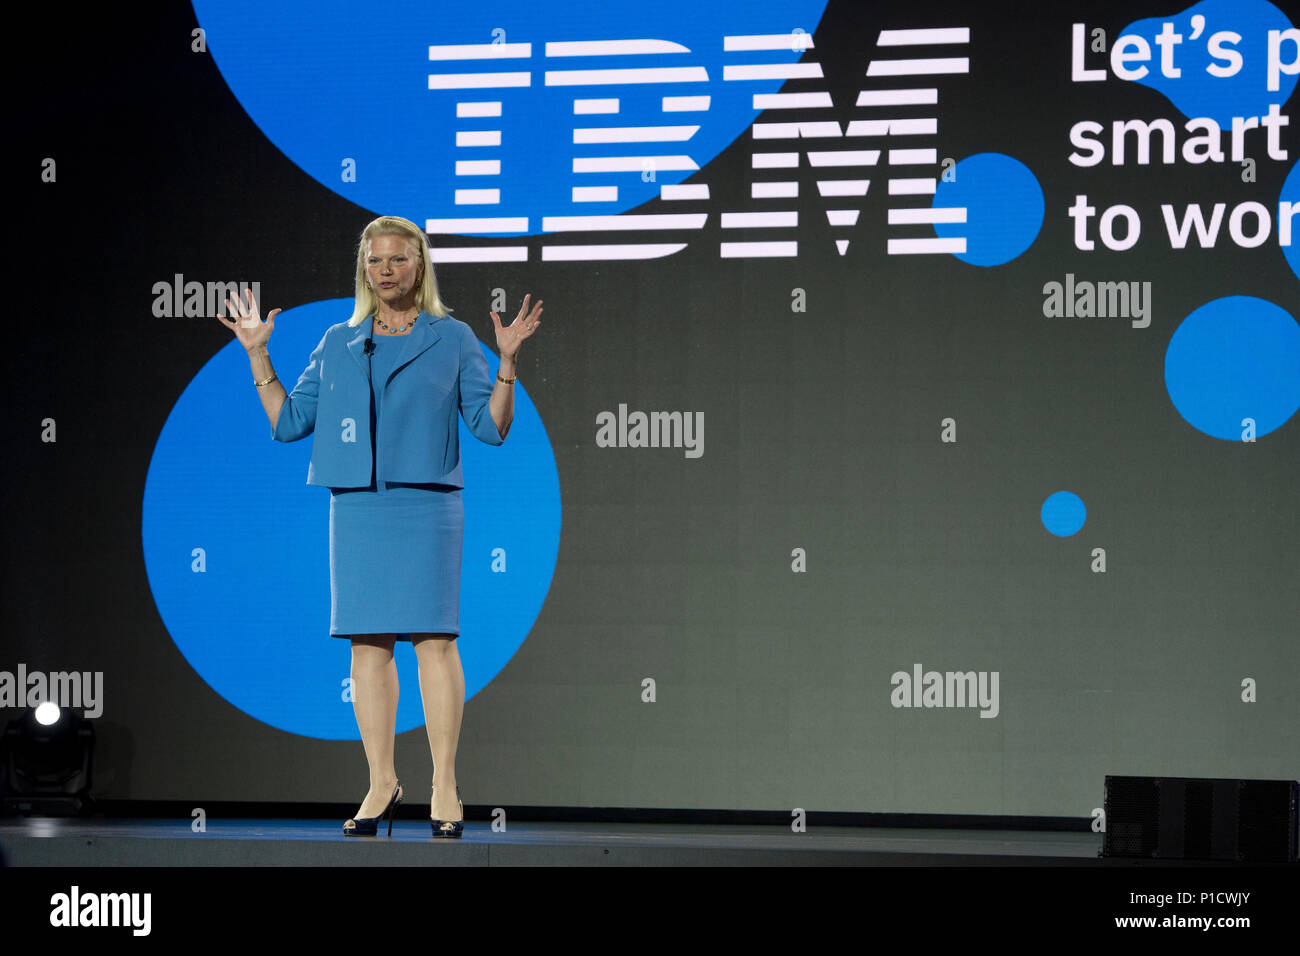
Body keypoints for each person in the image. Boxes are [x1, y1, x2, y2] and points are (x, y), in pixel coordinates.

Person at [216, 215, 542, 838]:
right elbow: (288, 424)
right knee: (368, 648)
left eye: (397, 259)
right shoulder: (339, 341)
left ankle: (444, 784)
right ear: (363, 269)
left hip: (427, 505)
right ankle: (381, 782)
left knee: (434, 643)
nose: (385, 270)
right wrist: (258, 353)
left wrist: (506, 364)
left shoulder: (452, 338)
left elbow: (490, 428)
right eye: (375, 261)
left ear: (420, 265)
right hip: (359, 506)